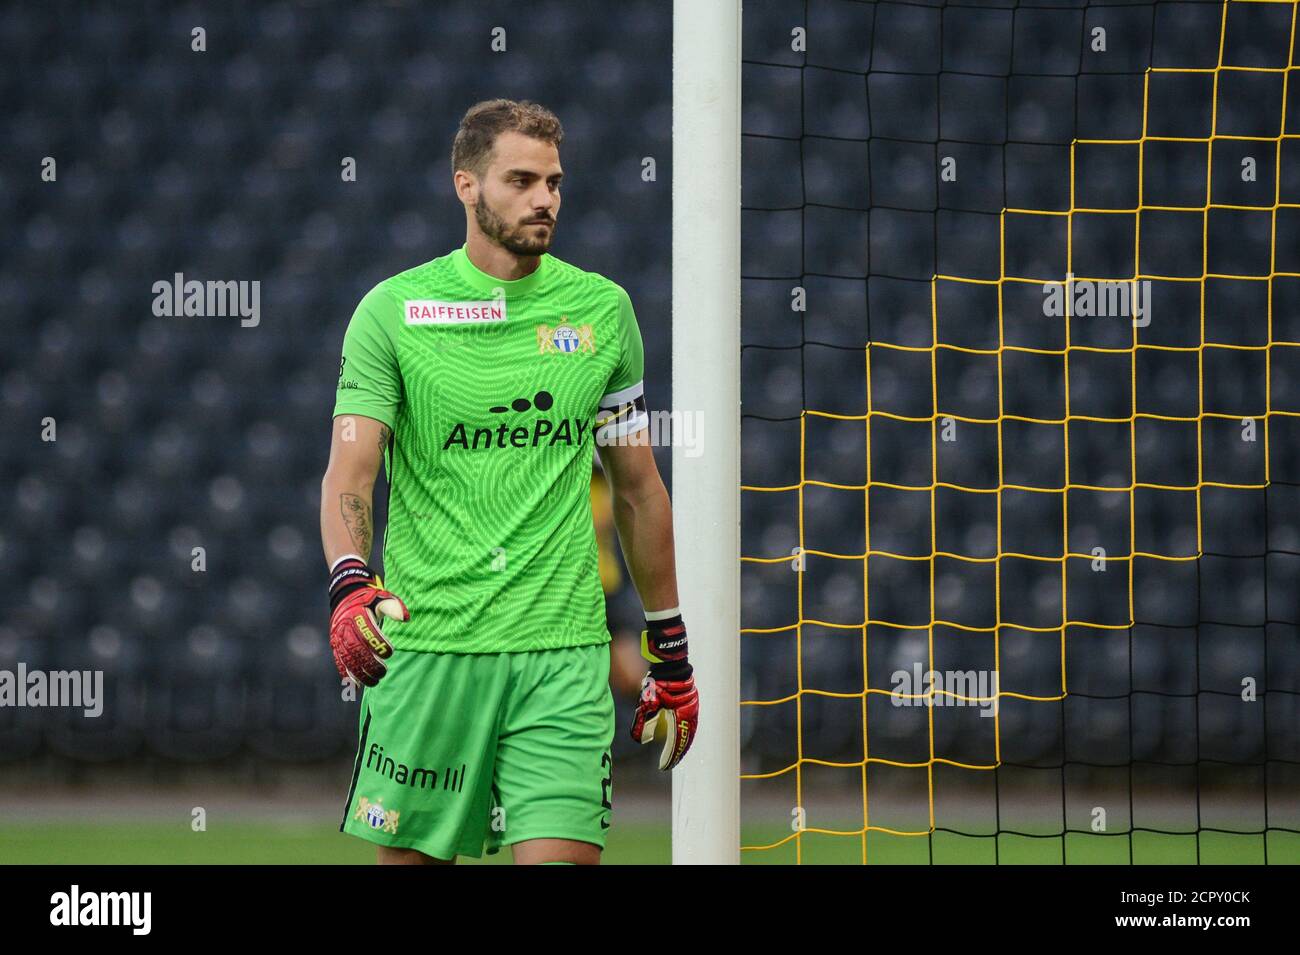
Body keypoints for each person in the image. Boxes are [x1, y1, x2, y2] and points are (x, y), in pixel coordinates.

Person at [319, 98, 698, 865]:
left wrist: (671, 643)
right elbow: (350, 471)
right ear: (466, 185)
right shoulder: (390, 314)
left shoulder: (602, 311)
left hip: (563, 656)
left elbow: (638, 488)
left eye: (554, 183)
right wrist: (350, 582)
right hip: (427, 652)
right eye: (521, 180)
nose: (544, 199)